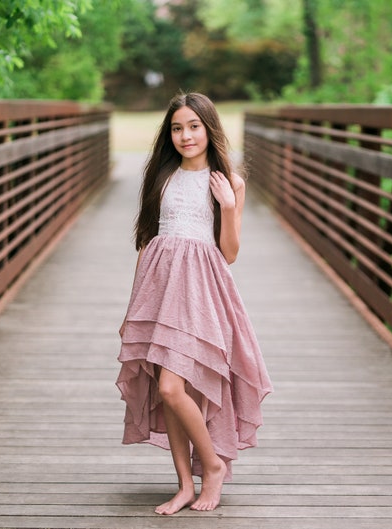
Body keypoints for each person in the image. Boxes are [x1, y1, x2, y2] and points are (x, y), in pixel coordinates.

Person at [116, 92, 272, 515]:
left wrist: (226, 206)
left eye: (194, 126)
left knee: (173, 385)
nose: (186, 136)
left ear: (209, 128)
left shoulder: (229, 182)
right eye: (177, 128)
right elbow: (148, 242)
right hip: (160, 289)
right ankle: (185, 485)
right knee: (169, 391)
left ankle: (214, 466)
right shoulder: (162, 177)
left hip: (200, 291)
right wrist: (135, 310)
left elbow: (230, 252)